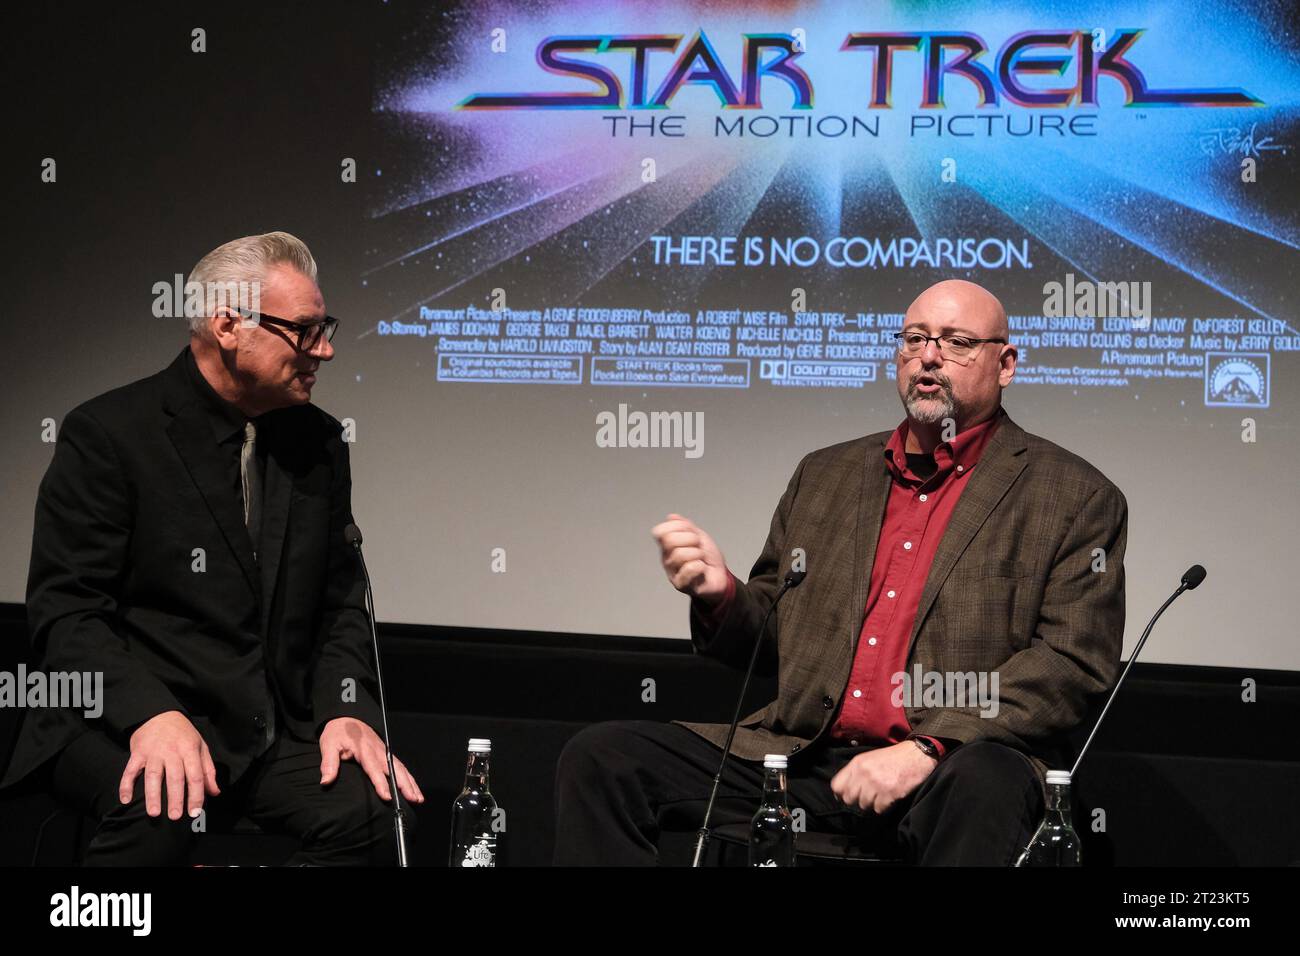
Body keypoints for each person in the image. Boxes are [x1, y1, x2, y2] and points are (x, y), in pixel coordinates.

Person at [554, 279, 1127, 865]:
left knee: (986, 782)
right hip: (806, 758)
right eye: (915, 339)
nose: (929, 356)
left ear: (1005, 364)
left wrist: (929, 746)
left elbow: (1071, 662)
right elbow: (773, 639)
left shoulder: (1073, 496)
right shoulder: (827, 474)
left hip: (951, 767)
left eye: (956, 342)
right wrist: (721, 593)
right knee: (603, 757)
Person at [0, 231, 423, 865]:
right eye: (306, 330)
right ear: (228, 325)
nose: (326, 350)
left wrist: (345, 710)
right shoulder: (111, 435)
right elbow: (68, 615)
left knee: (374, 810)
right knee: (159, 803)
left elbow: (340, 602)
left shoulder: (319, 443)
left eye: (325, 327)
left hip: (260, 731)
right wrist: (150, 715)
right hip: (121, 718)